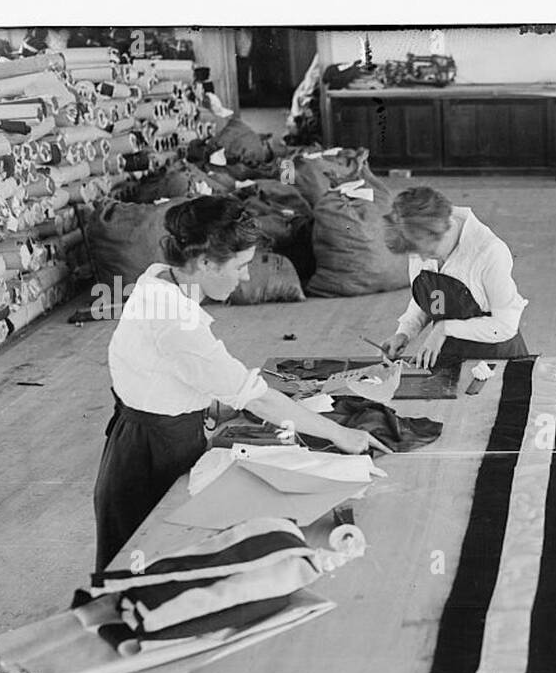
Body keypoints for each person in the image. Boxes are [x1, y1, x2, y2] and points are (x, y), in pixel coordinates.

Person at [93, 195, 388, 571]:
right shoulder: (175, 322)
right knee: (147, 565)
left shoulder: (159, 277)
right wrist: (341, 435)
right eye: (241, 265)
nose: (247, 276)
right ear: (203, 262)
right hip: (151, 457)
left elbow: (162, 371)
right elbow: (258, 399)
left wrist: (205, 397)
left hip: (147, 435)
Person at [377, 186, 529, 367]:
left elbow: (505, 325)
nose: (423, 259)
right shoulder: (419, 242)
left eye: (429, 252)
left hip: (496, 359)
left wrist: (444, 328)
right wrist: (405, 332)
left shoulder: (489, 252)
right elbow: (433, 296)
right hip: (448, 356)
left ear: (444, 229)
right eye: (416, 254)